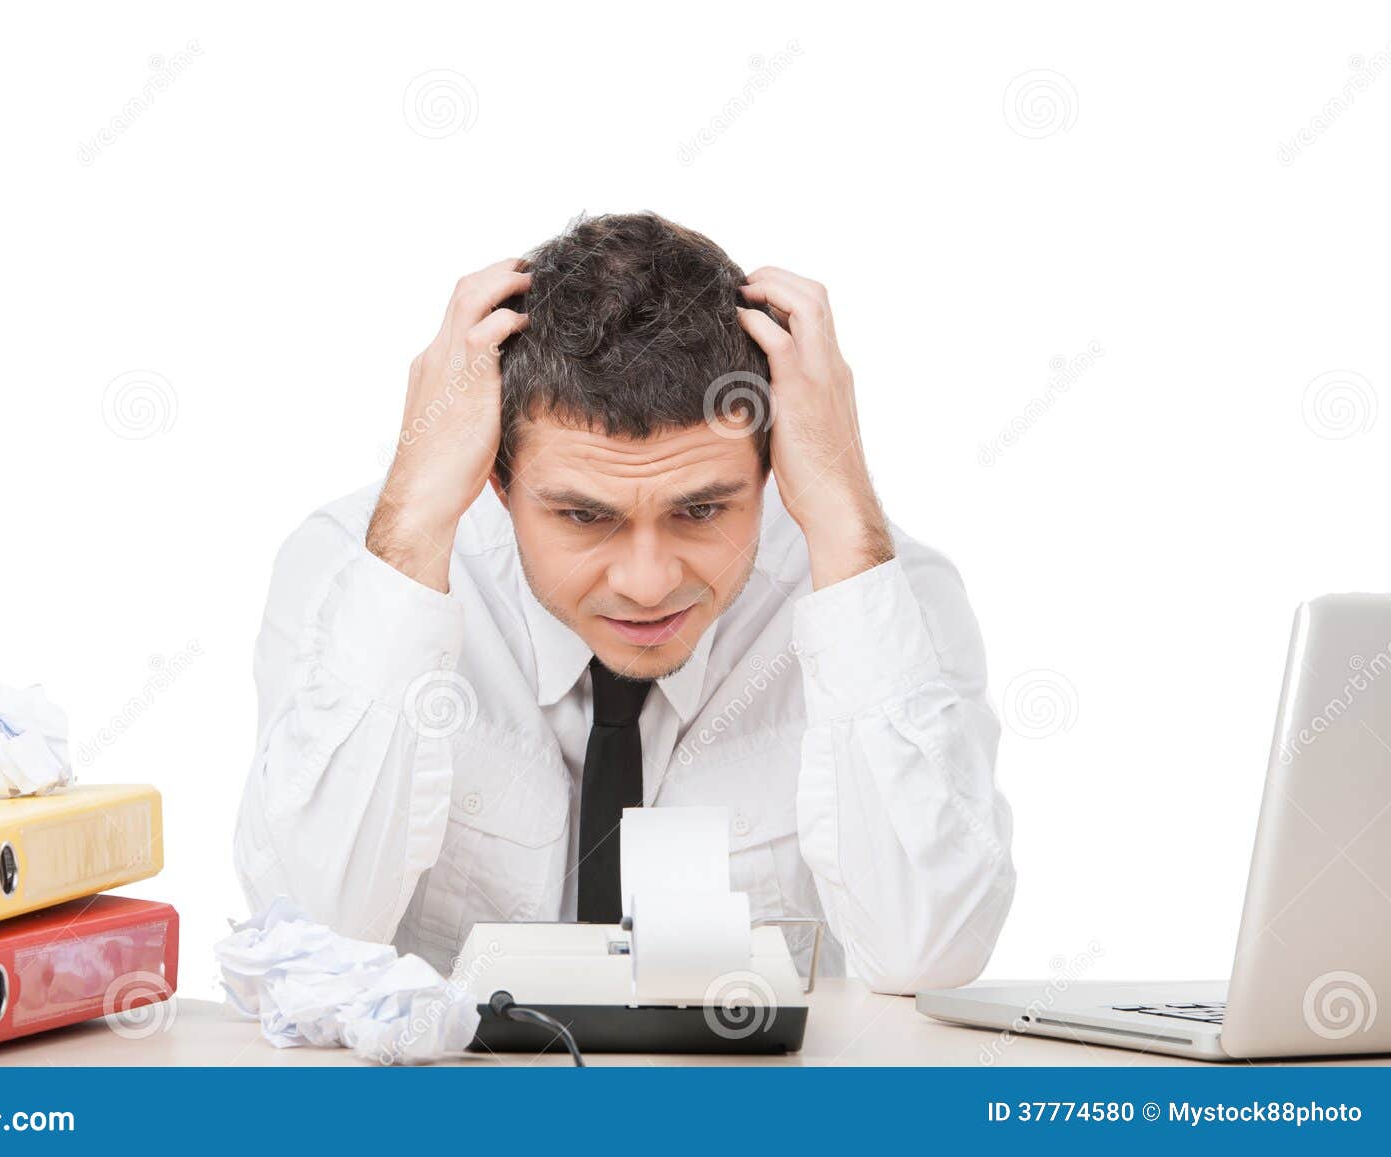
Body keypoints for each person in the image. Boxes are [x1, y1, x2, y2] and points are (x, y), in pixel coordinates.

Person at [234, 212, 1013, 992]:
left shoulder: (882, 590)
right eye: (584, 515)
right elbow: (310, 939)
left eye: (702, 509)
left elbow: (930, 952)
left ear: (771, 467)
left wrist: (843, 513)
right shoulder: (356, 567)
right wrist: (413, 524)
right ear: (498, 484)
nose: (646, 582)